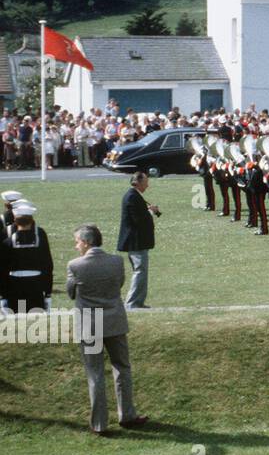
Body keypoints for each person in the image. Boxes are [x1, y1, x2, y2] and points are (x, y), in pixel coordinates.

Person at [67, 224, 147, 435]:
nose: (76, 246)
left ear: (86, 242)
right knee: (122, 367)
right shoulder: (116, 261)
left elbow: (71, 293)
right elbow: (119, 284)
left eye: (77, 242)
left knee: (95, 374)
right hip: (114, 320)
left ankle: (100, 423)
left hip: (90, 324)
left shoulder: (75, 265)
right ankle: (127, 414)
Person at [117, 172, 159, 309]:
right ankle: (132, 303)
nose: (147, 185)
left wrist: (146, 210)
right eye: (146, 182)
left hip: (138, 241)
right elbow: (138, 220)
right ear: (138, 182)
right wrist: (151, 212)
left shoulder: (133, 196)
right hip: (136, 242)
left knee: (141, 271)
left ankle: (138, 302)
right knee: (140, 271)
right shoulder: (132, 197)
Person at [1, 201, 53, 312]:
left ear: (15, 220)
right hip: (36, 286)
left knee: (18, 322)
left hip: (14, 287)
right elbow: (48, 266)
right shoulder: (41, 237)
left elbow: (2, 270)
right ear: (32, 220)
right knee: (36, 321)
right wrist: (48, 293)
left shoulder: (7, 243)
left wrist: (3, 295)